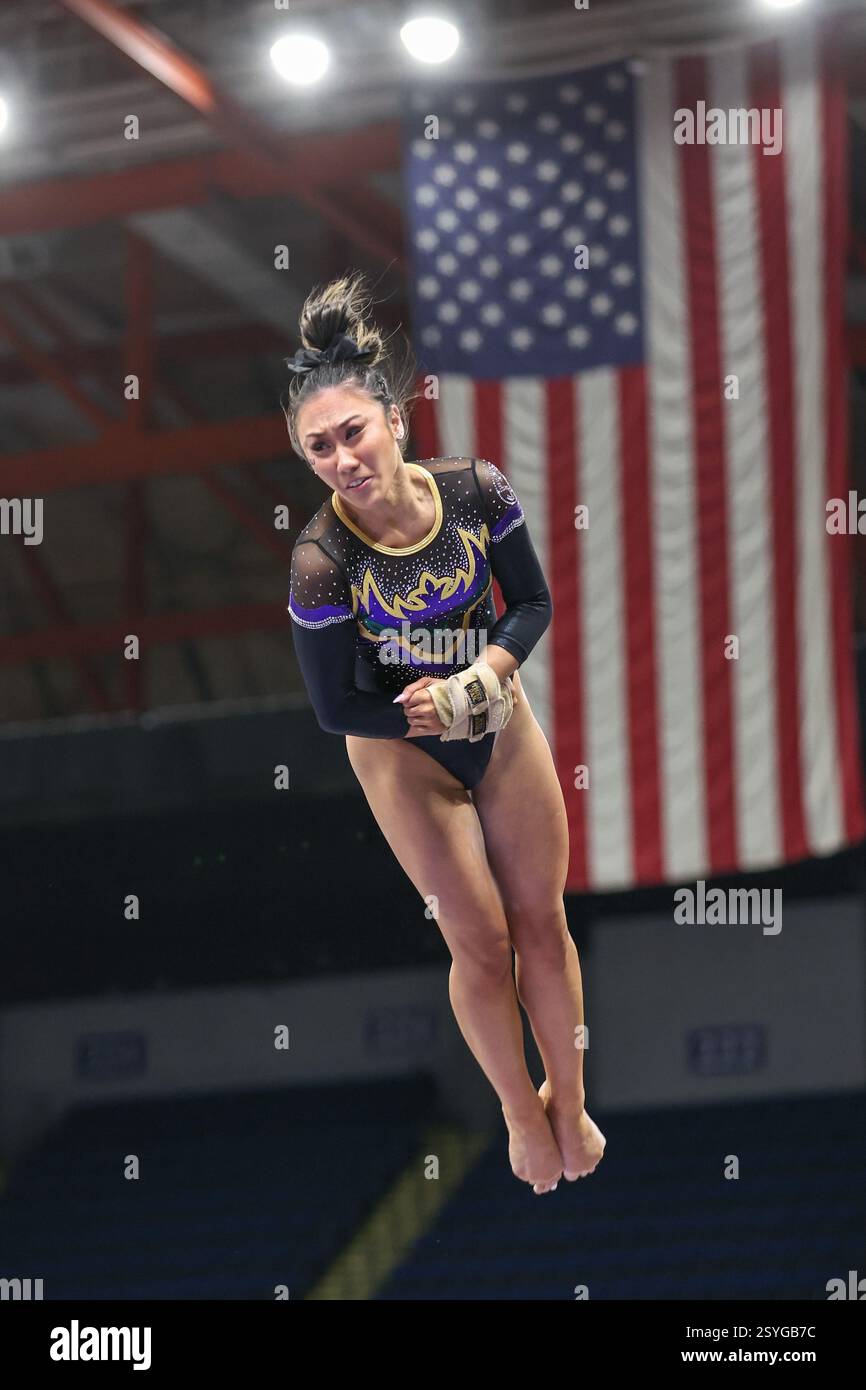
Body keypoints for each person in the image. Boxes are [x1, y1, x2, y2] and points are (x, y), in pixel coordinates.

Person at [283, 271, 605, 1195]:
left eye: (352, 432)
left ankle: (570, 1102)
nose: (342, 458)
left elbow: (533, 603)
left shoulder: (475, 492)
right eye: (318, 449)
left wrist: (482, 678)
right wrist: (417, 711)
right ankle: (516, 1113)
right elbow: (334, 707)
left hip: (494, 715)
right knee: (483, 940)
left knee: (543, 919)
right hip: (400, 750)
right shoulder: (321, 562)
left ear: (394, 418)